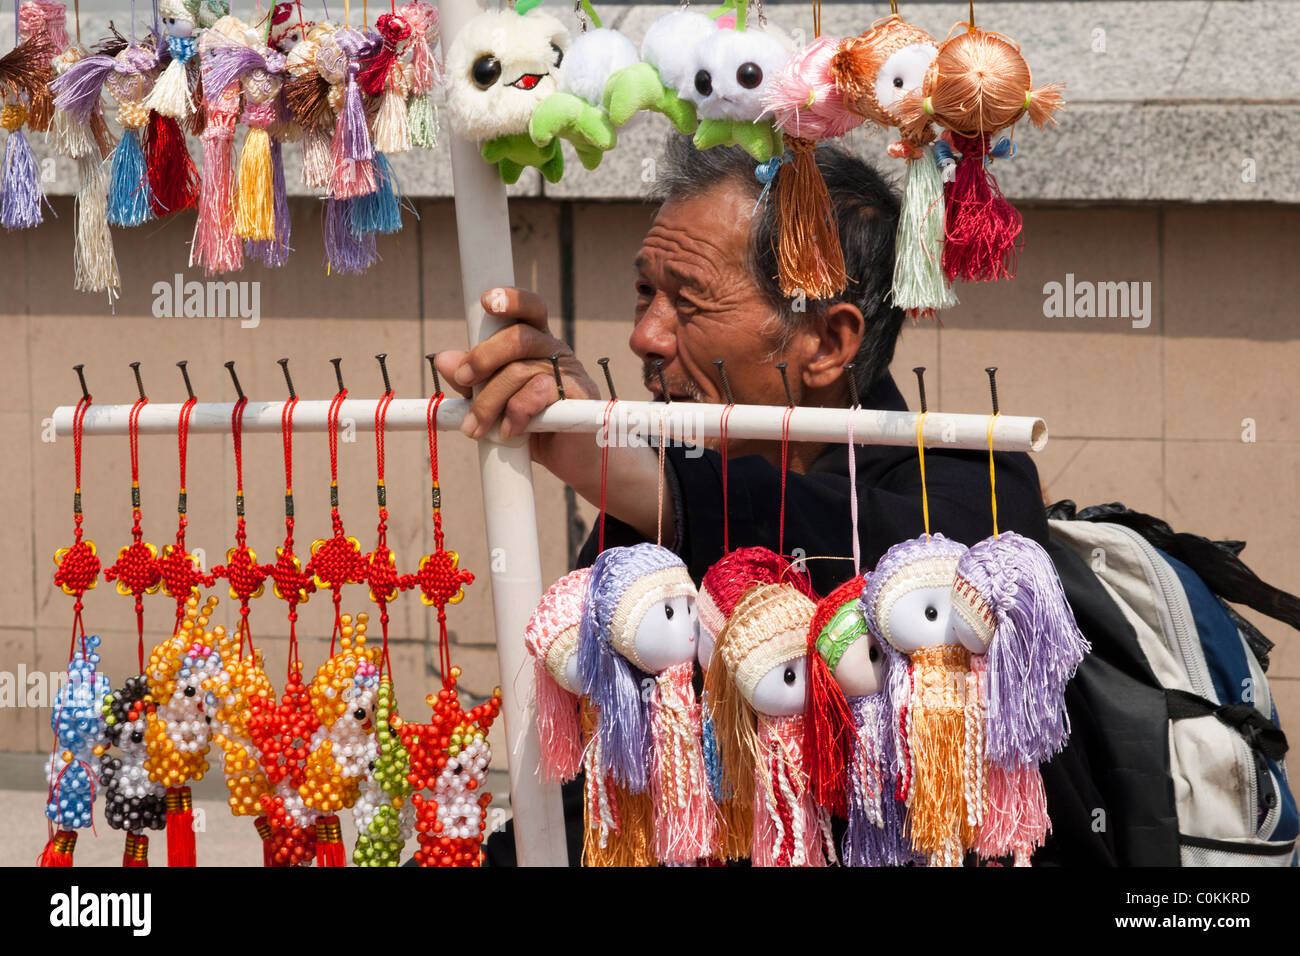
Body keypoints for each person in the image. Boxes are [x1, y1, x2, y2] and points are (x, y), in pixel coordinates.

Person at [434, 134, 1050, 864]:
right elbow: (600, 804)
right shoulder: (652, 514)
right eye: (644, 292)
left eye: (687, 301)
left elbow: (876, 558)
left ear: (825, 341)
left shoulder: (969, 486)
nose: (644, 336)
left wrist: (617, 467)